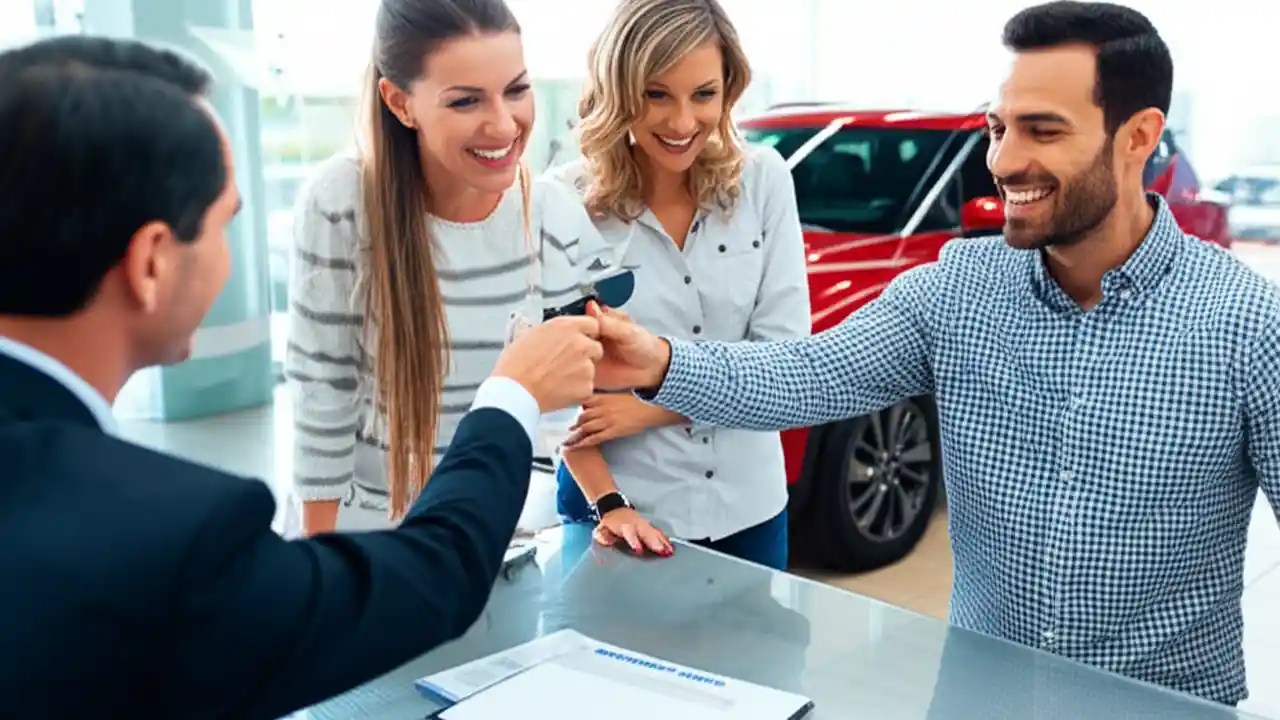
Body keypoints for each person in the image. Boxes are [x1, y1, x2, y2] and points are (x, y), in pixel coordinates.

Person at [587, 0, 1280, 707]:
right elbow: (805, 376)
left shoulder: (1248, 325)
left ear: (1138, 137)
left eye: (1042, 131)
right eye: (998, 128)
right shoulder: (956, 289)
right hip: (976, 695)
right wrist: (657, 360)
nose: (1004, 161)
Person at [0, 35, 605, 719]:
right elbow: (433, 579)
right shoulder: (168, 540)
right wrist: (511, 396)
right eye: (225, 225)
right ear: (152, 264)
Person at [288, 0, 612, 534]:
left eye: (516, 89)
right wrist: (322, 567)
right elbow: (322, 393)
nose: (505, 125)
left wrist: (611, 503)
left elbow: (570, 406)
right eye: (466, 101)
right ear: (399, 102)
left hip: (488, 528)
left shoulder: (552, 213)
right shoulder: (341, 201)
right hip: (365, 532)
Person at [547, 0, 810, 570]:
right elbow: (562, 392)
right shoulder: (562, 200)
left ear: (729, 90)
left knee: (752, 662)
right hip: (619, 507)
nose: (683, 122)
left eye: (704, 94)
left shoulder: (764, 181)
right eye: (657, 94)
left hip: (750, 507)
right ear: (618, 89)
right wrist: (609, 503)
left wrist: (649, 407)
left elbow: (785, 358)